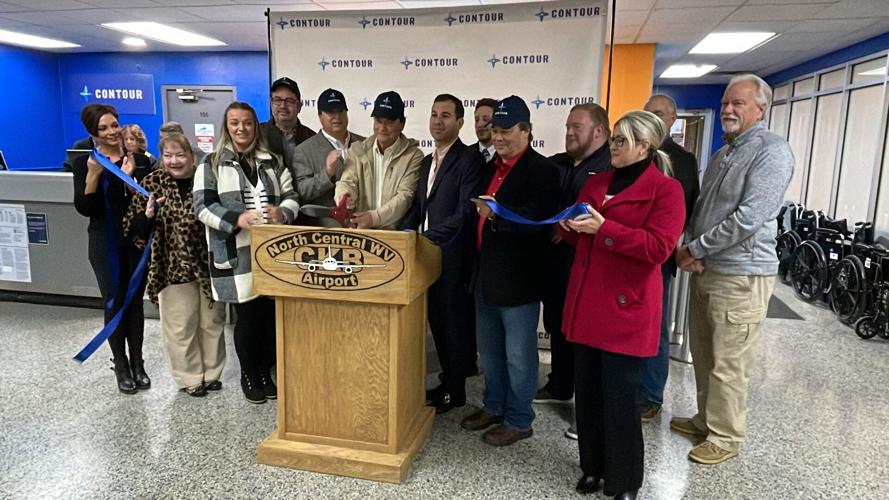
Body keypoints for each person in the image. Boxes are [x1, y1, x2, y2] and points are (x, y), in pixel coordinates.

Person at [561, 110, 685, 498]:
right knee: (590, 395)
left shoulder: (667, 191)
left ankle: (625, 481)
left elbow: (659, 248)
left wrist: (605, 230)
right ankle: (593, 468)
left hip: (625, 308)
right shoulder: (596, 183)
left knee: (620, 402)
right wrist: (567, 227)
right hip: (586, 304)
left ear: (645, 146)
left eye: (621, 141)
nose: (612, 146)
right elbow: (579, 238)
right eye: (613, 139)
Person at [672, 74, 793, 465]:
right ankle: (707, 419)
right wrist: (692, 247)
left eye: (738, 103)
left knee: (729, 361)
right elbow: (707, 210)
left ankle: (725, 437)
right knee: (705, 352)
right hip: (708, 268)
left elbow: (750, 217)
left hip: (740, 275)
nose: (727, 109)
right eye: (726, 102)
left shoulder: (771, 152)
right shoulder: (726, 153)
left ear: (761, 108)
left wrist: (695, 247)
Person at [461, 95, 560, 447]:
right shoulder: (491, 167)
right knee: (490, 353)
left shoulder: (543, 171)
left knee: (519, 357)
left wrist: (498, 215)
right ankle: (494, 405)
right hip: (485, 277)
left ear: (527, 131)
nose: (497, 137)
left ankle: (519, 419)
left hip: (519, 282)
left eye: (505, 131)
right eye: (494, 130)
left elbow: (539, 224)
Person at [193, 101, 300, 404]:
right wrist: (235, 219)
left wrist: (283, 212)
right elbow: (202, 206)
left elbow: (293, 196)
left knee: (270, 317)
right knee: (249, 317)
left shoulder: (274, 161)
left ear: (256, 126)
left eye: (247, 123)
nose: (242, 129)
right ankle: (249, 373)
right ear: (226, 126)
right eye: (235, 123)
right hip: (236, 252)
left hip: (273, 254)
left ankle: (266, 372)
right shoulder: (210, 163)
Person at [122, 133, 225, 397]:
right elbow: (131, 229)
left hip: (209, 266)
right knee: (180, 327)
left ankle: (212, 373)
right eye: (168, 155)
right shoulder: (152, 183)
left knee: (211, 323)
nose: (174, 161)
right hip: (170, 268)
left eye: (180, 155)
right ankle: (189, 377)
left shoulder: (208, 181)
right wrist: (147, 216)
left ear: (192, 157)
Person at [400, 94, 483, 414]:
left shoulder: (469, 159)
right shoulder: (425, 161)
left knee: (453, 324)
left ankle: (456, 390)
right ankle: (447, 381)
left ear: (460, 122)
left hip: (450, 256)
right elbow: (418, 207)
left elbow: (465, 211)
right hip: (424, 256)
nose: (438, 121)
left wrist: (427, 238)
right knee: (437, 320)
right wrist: (407, 235)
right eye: (434, 114)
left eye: (446, 115)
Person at [72, 103, 154, 394]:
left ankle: (138, 363)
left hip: (134, 240)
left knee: (134, 302)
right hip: (103, 241)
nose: (110, 132)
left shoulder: (141, 160)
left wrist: (130, 179)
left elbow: (146, 202)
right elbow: (84, 208)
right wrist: (94, 175)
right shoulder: (86, 161)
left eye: (113, 125)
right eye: (103, 128)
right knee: (114, 301)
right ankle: (120, 365)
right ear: (92, 131)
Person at [535, 103, 612, 407]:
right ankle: (561, 384)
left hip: (591, 266)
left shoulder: (610, 169)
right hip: (556, 263)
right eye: (567, 126)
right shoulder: (558, 163)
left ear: (599, 131)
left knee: (586, 334)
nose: (568, 132)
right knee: (557, 323)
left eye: (575, 127)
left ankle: (588, 403)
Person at [638, 94, 701, 421]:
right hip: (626, 253)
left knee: (654, 327)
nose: (654, 118)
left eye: (660, 114)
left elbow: (685, 210)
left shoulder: (682, 160)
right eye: (649, 113)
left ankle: (650, 395)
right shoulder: (636, 152)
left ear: (673, 119)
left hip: (657, 258)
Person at [333, 90, 423, 229]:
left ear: (402, 123)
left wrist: (374, 218)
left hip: (395, 236)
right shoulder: (357, 150)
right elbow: (346, 181)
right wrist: (345, 197)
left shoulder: (413, 156)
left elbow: (405, 197)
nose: (382, 128)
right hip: (360, 234)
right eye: (378, 121)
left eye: (389, 122)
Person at [289, 88, 365, 225]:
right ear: (320, 116)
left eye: (341, 111)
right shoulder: (304, 150)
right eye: (330, 112)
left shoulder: (365, 144)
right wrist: (327, 173)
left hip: (367, 225)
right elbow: (302, 192)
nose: (337, 117)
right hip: (327, 229)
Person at [260, 77, 315, 167]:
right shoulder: (257, 135)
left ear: (299, 106)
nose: (283, 106)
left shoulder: (311, 139)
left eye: (289, 101)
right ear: (271, 104)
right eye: (277, 100)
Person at [472, 98, 497, 163]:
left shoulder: (510, 156)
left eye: (485, 119)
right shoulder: (462, 156)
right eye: (477, 120)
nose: (479, 125)